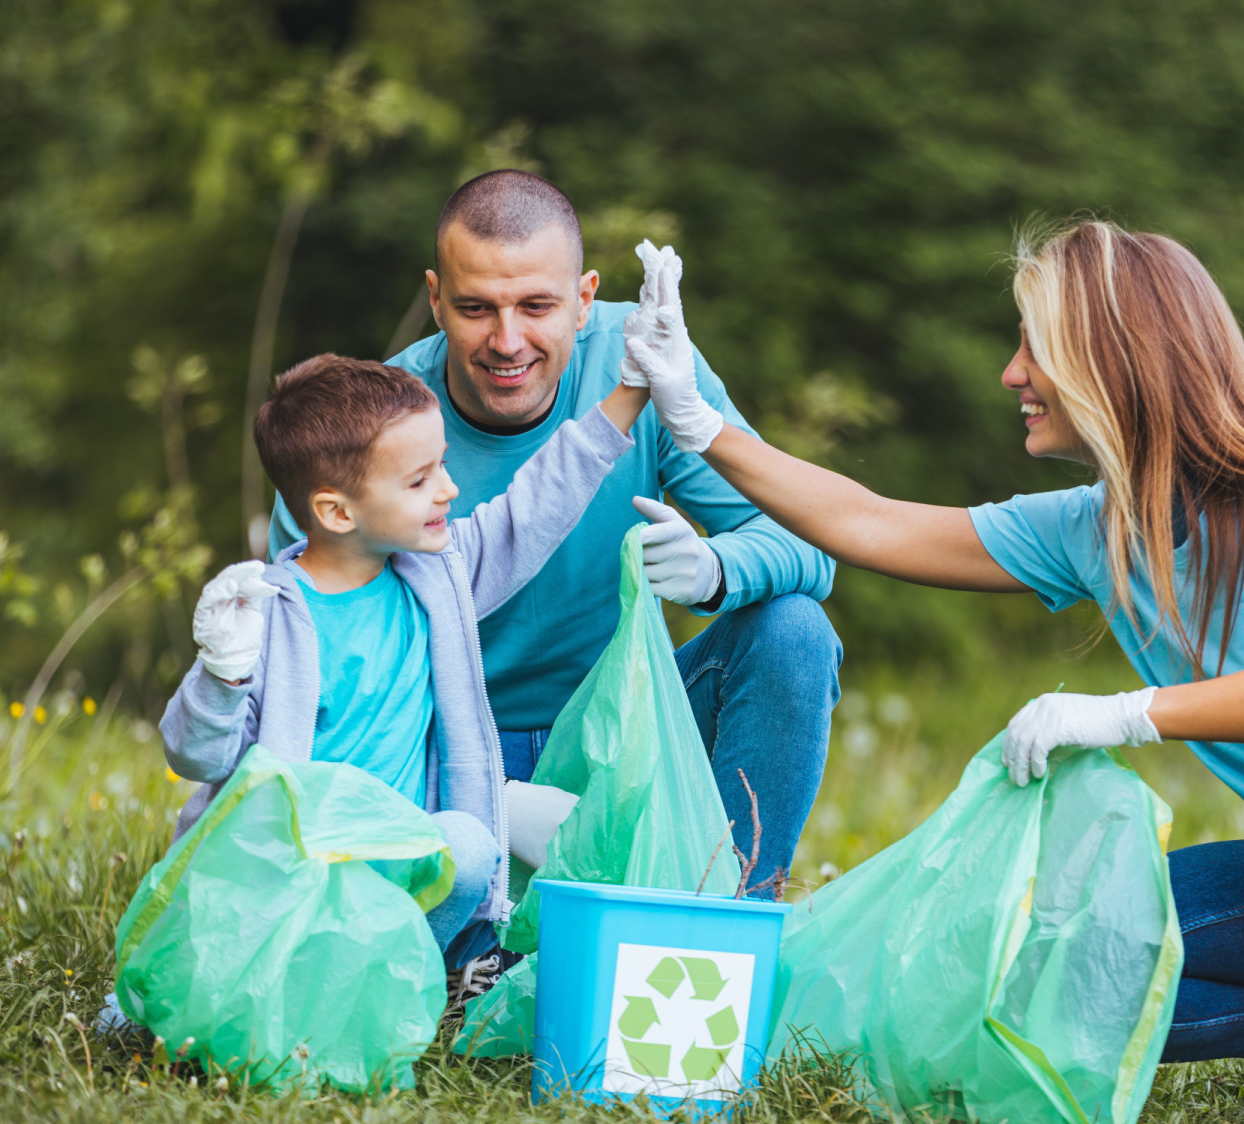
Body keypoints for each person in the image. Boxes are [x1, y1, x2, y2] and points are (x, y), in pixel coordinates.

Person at [624, 220, 1244, 1124]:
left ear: (1112, 360)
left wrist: (1124, 715)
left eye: (1033, 348)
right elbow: (875, 523)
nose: (1011, 374)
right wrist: (701, 421)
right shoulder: (1097, 529)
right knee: (1058, 969)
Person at [269, 171, 841, 904]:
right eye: (476, 308)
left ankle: (725, 929)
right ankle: (486, 925)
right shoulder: (373, 435)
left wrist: (717, 569)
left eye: (536, 305)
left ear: (584, 297)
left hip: (625, 733)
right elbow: (301, 673)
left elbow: (810, 541)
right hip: (438, 758)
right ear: (436, 299)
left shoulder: (646, 364)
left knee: (794, 630)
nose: (507, 342)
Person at [165, 351, 644, 1001]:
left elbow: (530, 510)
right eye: (420, 479)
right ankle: (255, 984)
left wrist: (631, 391)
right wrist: (220, 675)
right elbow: (197, 755)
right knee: (212, 997)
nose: (448, 487)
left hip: (391, 865)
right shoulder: (266, 616)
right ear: (337, 512)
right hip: (290, 874)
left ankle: (407, 979)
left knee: (472, 848)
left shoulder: (437, 575)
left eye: (442, 464)